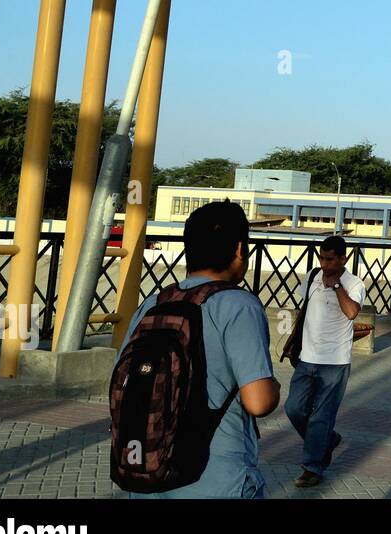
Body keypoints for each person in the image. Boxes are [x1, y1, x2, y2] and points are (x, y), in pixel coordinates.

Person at [116, 201, 279, 498]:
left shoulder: (154, 303)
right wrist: (274, 385)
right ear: (240, 250)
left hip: (149, 472)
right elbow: (259, 402)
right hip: (216, 478)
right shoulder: (238, 305)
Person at [281, 235, 367, 488]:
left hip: (335, 361)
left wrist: (338, 286)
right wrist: (293, 341)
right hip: (307, 357)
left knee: (321, 416)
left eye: (330, 259)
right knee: (293, 408)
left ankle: (313, 467)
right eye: (322, 257)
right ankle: (327, 440)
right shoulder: (312, 277)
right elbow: (304, 309)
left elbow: (352, 312)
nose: (325, 263)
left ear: (344, 258)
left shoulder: (354, 283)